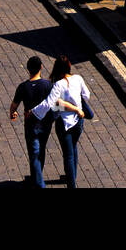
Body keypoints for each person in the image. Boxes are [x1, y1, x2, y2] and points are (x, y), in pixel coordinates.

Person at [31, 56, 93, 189]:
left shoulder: (59, 84)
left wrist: (34, 112)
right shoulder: (78, 78)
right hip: (79, 121)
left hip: (64, 124)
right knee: (73, 148)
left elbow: (50, 102)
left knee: (68, 155)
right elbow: (87, 95)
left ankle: (72, 184)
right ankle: (72, 176)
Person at [9, 56, 53, 187]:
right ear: (41, 67)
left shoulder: (23, 87)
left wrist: (13, 113)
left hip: (31, 126)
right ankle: (36, 177)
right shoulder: (48, 85)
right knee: (41, 149)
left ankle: (39, 183)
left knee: (33, 153)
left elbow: (14, 105)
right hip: (45, 125)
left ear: (28, 69)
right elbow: (54, 104)